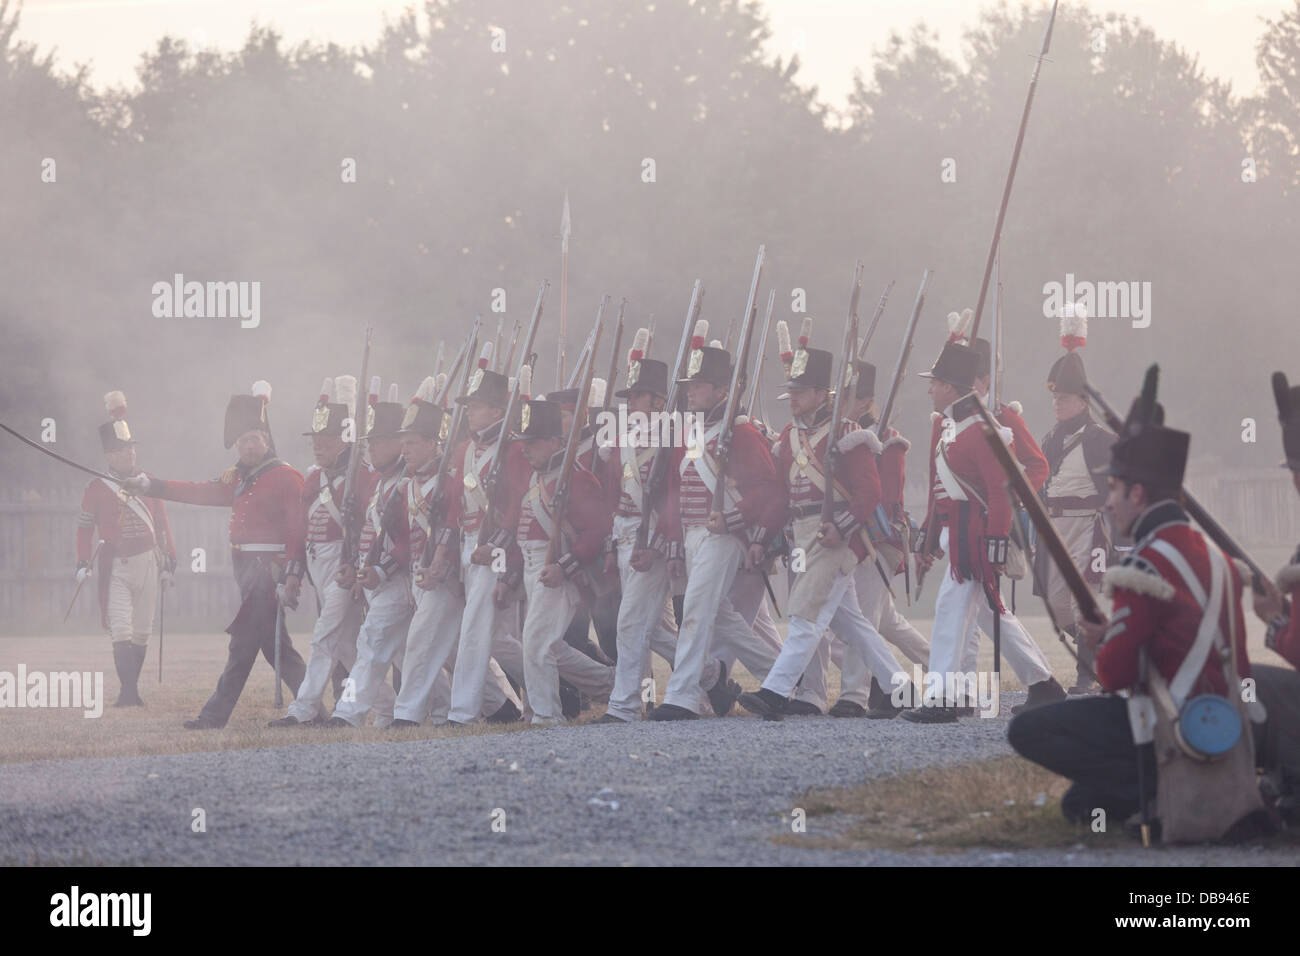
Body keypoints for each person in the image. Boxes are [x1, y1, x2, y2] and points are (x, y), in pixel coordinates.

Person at [1008, 386, 1261, 836]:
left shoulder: (1146, 565)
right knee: (1081, 801)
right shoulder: (1217, 558)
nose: (1108, 502)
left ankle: (1144, 787)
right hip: (1221, 720)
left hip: (1169, 725)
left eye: (1115, 490)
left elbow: (1116, 675)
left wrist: (1101, 640)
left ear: (1138, 493)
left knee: (1027, 731)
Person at [736, 342, 910, 720]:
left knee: (805, 614)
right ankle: (902, 690)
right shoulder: (790, 437)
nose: (793, 399)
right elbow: (781, 496)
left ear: (820, 394)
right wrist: (761, 538)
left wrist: (842, 527)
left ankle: (776, 692)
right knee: (854, 624)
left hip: (835, 536)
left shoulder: (847, 434)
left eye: (800, 393)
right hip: (803, 532)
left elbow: (870, 492)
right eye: (791, 392)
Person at [123, 381, 307, 729]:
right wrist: (150, 485)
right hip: (245, 570)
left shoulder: (285, 476)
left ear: (266, 440)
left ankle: (213, 716)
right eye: (242, 441)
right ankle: (312, 707)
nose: (248, 446)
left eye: (253, 439)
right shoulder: (238, 478)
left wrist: (291, 573)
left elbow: (298, 530)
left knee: (242, 647)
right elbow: (197, 492)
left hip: (268, 571)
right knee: (274, 646)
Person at [907, 341, 1062, 723]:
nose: (929, 389)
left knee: (950, 610)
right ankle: (1043, 684)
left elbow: (1000, 488)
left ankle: (941, 698)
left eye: (936, 383)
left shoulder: (979, 429)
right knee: (993, 614)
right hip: (958, 532)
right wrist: (929, 533)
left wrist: (995, 537)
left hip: (974, 537)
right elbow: (942, 488)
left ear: (950, 387)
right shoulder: (951, 427)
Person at [650, 330, 785, 720]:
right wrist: (675, 546)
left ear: (722, 390)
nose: (690, 392)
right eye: (688, 385)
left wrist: (732, 517)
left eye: (698, 385)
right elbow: (676, 490)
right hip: (692, 537)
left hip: (722, 536)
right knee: (722, 617)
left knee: (695, 611)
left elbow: (769, 490)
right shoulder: (691, 431)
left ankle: (683, 696)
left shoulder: (740, 433)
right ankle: (781, 676)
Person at [394, 377, 521, 727]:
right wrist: (440, 559)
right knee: (430, 631)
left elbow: (516, 506)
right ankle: (410, 712)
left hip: (491, 550)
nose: (470, 412)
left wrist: (495, 545)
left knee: (478, 632)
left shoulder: (513, 450)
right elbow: (452, 511)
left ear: (497, 410)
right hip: (462, 547)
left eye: (477, 407)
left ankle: (462, 713)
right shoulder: (465, 450)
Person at [267, 375, 374, 727]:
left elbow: (370, 530)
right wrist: (293, 573)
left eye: (326, 439)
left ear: (345, 440)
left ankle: (304, 708)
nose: (318, 446)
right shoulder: (314, 479)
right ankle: (388, 706)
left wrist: (358, 568)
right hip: (317, 565)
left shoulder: (362, 477)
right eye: (316, 439)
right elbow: (299, 531)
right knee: (347, 647)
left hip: (346, 566)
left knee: (324, 637)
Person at [506, 398, 615, 724]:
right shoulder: (539, 477)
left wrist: (565, 566)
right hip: (533, 568)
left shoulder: (575, 478)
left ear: (554, 442)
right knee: (547, 645)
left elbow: (597, 531)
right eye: (524, 443)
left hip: (558, 568)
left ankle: (547, 715)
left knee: (537, 643)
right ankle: (610, 683)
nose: (526, 450)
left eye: (533, 443)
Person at [76, 390, 176, 707]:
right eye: (121, 451)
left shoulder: (148, 483)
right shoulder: (95, 488)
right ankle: (129, 693)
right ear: (109, 456)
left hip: (148, 561)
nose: (129, 455)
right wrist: (82, 561)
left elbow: (162, 522)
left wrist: (170, 556)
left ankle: (130, 691)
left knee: (142, 631)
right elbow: (84, 528)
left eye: (131, 449)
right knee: (120, 628)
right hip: (115, 565)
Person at [1034, 305, 1115, 693]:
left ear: (1083, 401)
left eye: (1065, 398)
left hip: (1088, 525)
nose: (1057, 404)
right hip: (1055, 526)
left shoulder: (1100, 439)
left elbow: (1116, 488)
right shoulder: (1051, 437)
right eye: (1055, 398)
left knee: (1084, 605)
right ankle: (1102, 652)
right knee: (1055, 602)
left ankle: (1086, 675)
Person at [326, 383, 411, 728]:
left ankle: (347, 713)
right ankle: (489, 707)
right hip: (383, 577)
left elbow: (411, 539)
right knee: (411, 652)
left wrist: (380, 568)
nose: (371, 449)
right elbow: (372, 534)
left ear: (397, 443)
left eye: (377, 442)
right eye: (369, 443)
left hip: (402, 577)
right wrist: (360, 567)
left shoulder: (407, 482)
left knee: (372, 641)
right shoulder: (382, 482)